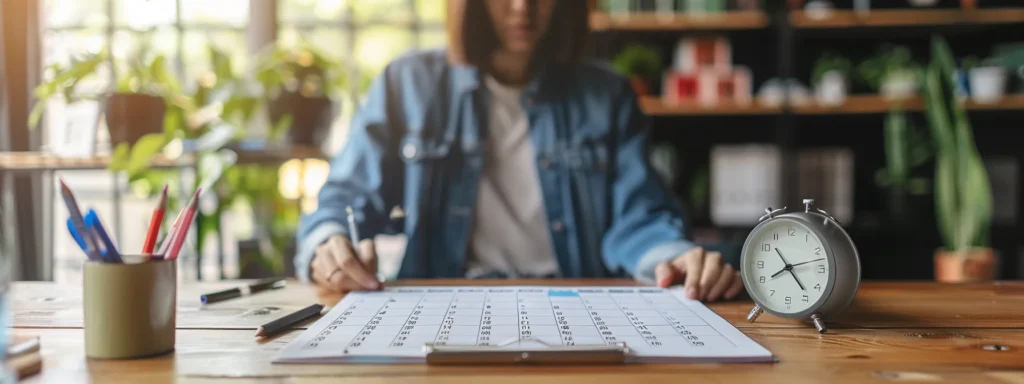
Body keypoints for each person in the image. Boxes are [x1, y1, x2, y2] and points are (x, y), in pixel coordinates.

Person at [295, 0, 744, 302]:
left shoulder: (606, 94)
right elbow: (346, 200)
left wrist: (673, 257)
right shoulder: (407, 84)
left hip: (577, 305)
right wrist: (328, 245)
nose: (522, 8)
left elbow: (639, 218)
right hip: (446, 305)